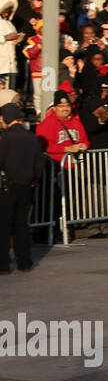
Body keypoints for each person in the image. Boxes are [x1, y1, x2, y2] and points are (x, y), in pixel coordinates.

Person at [0, 103, 45, 274]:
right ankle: (24, 261)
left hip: (7, 188)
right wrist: (33, 180)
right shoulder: (30, 137)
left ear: (5, 118)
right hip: (26, 186)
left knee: (4, 226)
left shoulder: (5, 138)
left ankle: (3, 264)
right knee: (22, 225)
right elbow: (39, 164)